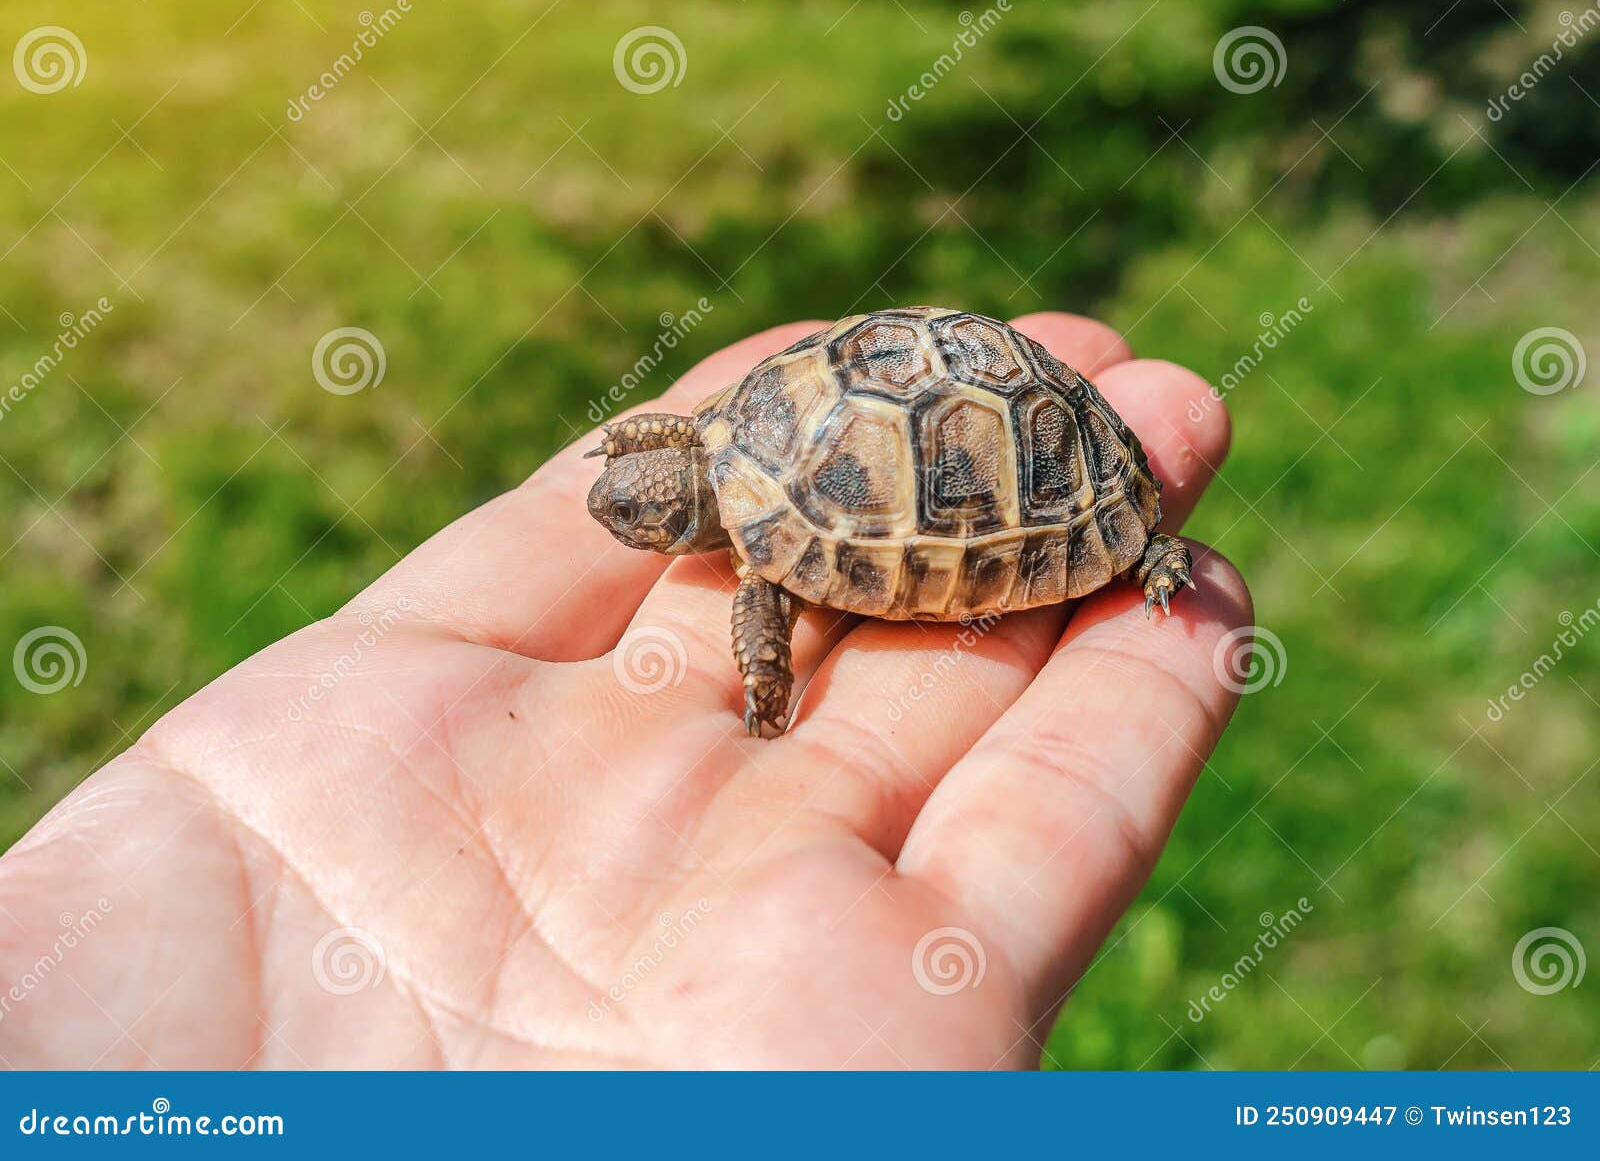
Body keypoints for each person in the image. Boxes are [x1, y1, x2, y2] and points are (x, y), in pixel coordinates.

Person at [0, 312, 1250, 1069]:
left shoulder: (754, 534)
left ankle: (1122, 539)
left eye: (644, 517)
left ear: (687, 510)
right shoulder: (728, 460)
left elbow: (764, 598)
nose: (626, 518)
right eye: (638, 509)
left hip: (1024, 467)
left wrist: (768, 693)